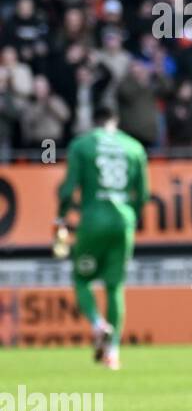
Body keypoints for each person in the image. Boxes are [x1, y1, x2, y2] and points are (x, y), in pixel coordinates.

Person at [55, 102, 150, 370]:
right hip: (123, 222)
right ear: (116, 121)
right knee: (115, 286)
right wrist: (132, 216)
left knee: (82, 278)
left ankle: (98, 324)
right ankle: (113, 353)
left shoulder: (82, 145)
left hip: (93, 221)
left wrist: (61, 217)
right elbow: (143, 195)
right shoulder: (134, 147)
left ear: (93, 121)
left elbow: (67, 189)